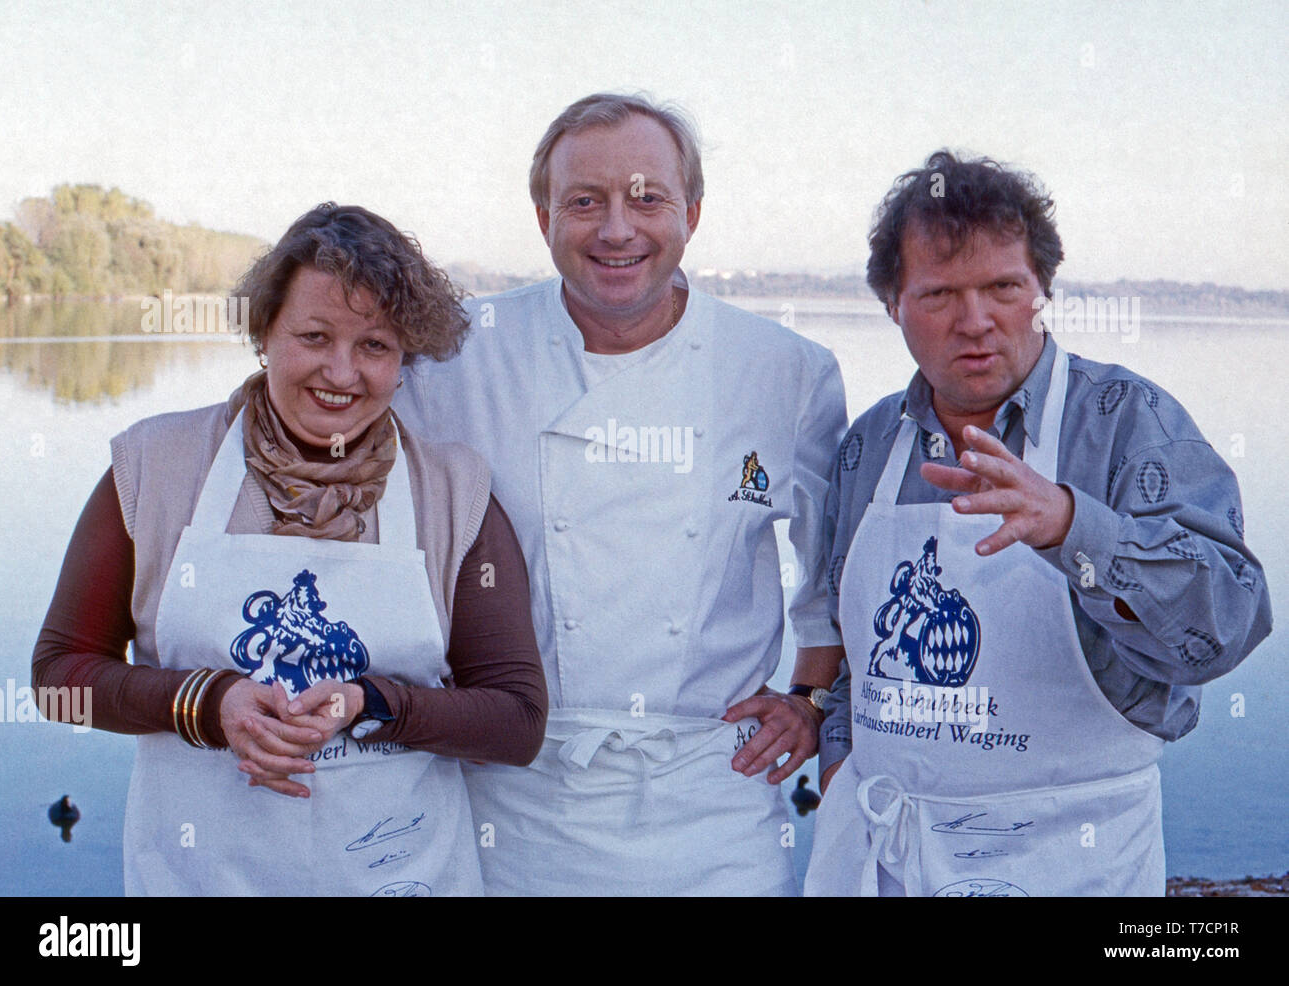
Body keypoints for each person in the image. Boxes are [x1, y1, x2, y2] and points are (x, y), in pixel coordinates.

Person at [394, 92, 847, 895]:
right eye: (584, 201)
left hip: (713, 796)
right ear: (542, 220)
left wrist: (811, 697)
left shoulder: (786, 372)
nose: (616, 229)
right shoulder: (457, 358)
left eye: (646, 198)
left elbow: (833, 570)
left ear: (692, 213)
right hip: (515, 788)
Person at [32, 203, 547, 896]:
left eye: (375, 345)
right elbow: (58, 681)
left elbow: (517, 723)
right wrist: (207, 702)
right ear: (264, 332)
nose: (342, 372)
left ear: (405, 359)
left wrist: (373, 702)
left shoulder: (455, 492)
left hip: (401, 878)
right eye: (314, 335)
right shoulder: (155, 467)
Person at [803, 151, 1273, 897]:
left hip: (1076, 863)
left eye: (1003, 287)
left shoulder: (1127, 425)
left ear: (1042, 290)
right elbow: (847, 641)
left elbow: (1229, 625)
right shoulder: (867, 446)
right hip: (887, 858)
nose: (975, 320)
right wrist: (835, 761)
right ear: (892, 302)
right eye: (938, 294)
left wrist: (1071, 527)